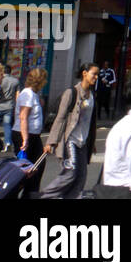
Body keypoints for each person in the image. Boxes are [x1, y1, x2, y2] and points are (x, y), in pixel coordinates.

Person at [38, 63, 100, 199]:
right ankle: (45, 196)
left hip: (83, 141)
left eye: (97, 74)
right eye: (93, 74)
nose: (96, 77)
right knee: (70, 173)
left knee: (81, 177)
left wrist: (92, 141)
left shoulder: (92, 96)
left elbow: (91, 121)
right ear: (84, 73)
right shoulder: (71, 93)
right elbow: (60, 118)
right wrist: (51, 141)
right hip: (70, 140)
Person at [14, 68, 48, 197]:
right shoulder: (27, 94)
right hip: (25, 135)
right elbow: (23, 117)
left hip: (34, 135)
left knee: (37, 166)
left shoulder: (33, 94)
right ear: (39, 81)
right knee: (25, 170)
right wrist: (25, 139)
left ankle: (30, 194)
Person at [0, 67, 18, 155]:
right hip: (9, 106)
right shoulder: (15, 81)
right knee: (7, 125)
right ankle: (8, 142)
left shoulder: (0, 80)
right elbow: (17, 94)